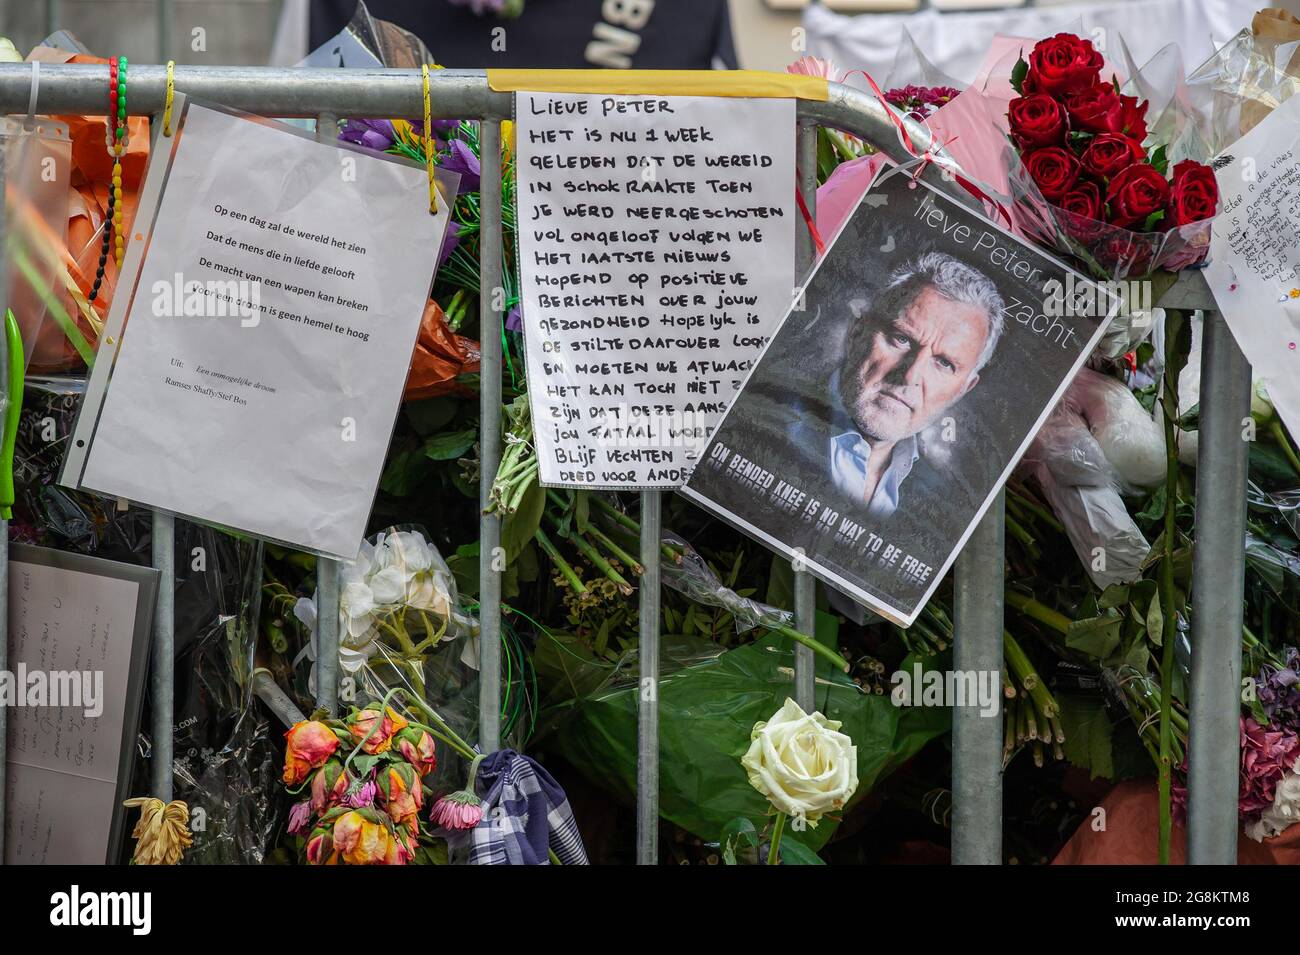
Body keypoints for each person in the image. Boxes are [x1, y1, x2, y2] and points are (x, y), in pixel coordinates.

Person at [830, 251, 1004, 517]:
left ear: (963, 389)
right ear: (857, 332)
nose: (910, 376)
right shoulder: (763, 413)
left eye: (944, 363)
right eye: (901, 339)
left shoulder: (944, 503)